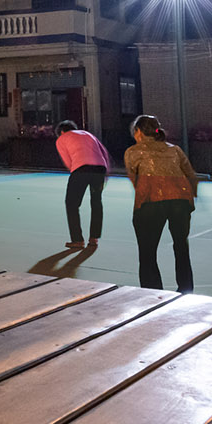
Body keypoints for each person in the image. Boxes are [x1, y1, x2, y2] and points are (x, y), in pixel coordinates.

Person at [122, 114, 197, 293]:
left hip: (151, 202)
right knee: (181, 246)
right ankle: (186, 288)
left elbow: (135, 179)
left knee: (147, 252)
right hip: (180, 201)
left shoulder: (133, 152)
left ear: (138, 132)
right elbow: (190, 174)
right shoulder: (175, 150)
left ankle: (152, 292)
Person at [55, 120, 111, 250]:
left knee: (72, 204)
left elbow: (68, 162)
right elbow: (103, 152)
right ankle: (94, 238)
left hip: (81, 169)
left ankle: (77, 240)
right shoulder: (87, 134)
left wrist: (75, 172)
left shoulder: (62, 138)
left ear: (62, 132)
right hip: (100, 168)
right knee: (96, 202)